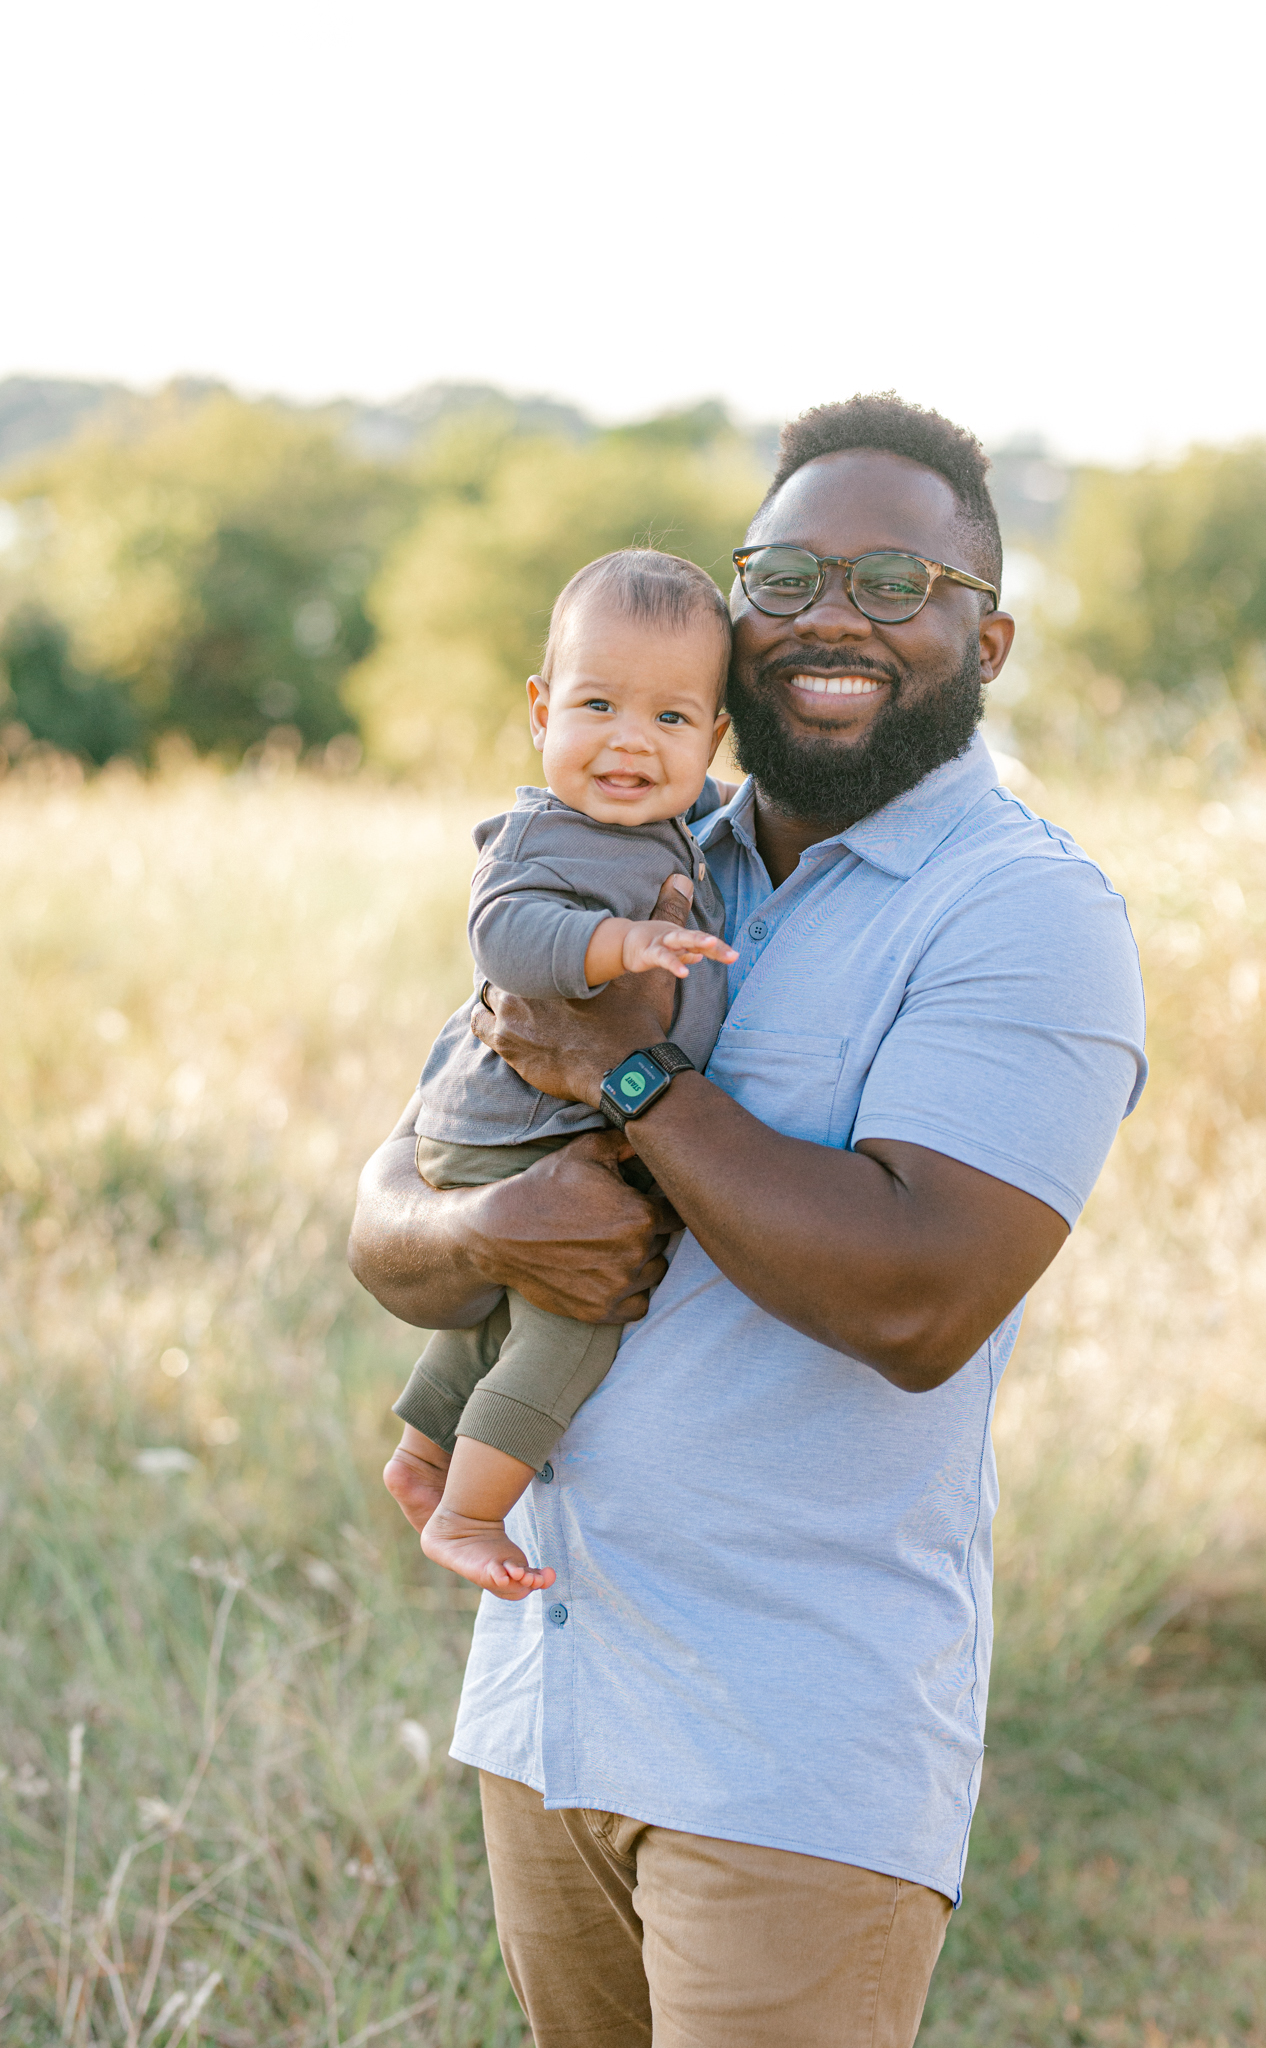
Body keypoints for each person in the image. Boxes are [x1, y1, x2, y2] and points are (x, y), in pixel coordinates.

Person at [349, 392, 1147, 2048]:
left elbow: (917, 1299)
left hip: (789, 1748)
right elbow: (397, 1203)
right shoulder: (631, 843)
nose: (829, 616)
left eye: (894, 582)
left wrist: (631, 1075)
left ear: (989, 639)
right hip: (550, 1696)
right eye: (785, 576)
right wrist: (492, 1237)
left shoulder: (1026, 914)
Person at [394, 548, 738, 1597]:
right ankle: (468, 1513)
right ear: (541, 711)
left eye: (672, 718)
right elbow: (504, 935)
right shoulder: (543, 835)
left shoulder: (671, 822)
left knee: (519, 1299)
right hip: (511, 1125)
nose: (631, 739)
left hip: (535, 1128)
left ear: (713, 738)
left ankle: (422, 1446)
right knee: (580, 1315)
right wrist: (619, 945)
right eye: (597, 705)